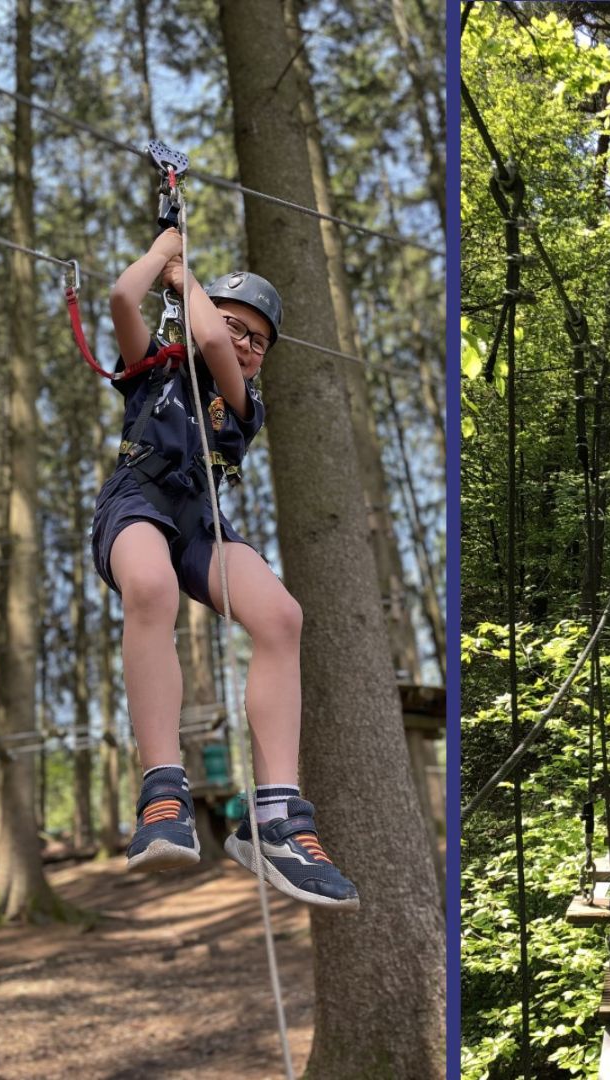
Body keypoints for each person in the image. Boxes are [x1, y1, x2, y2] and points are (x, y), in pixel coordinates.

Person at [89, 227, 357, 909]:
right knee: (148, 586)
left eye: (256, 340)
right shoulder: (154, 369)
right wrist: (161, 255)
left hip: (200, 522)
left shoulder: (242, 405)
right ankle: (162, 793)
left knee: (280, 616)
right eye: (235, 325)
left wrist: (188, 284)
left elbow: (211, 345)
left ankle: (274, 819)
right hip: (137, 504)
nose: (241, 342)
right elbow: (123, 295)